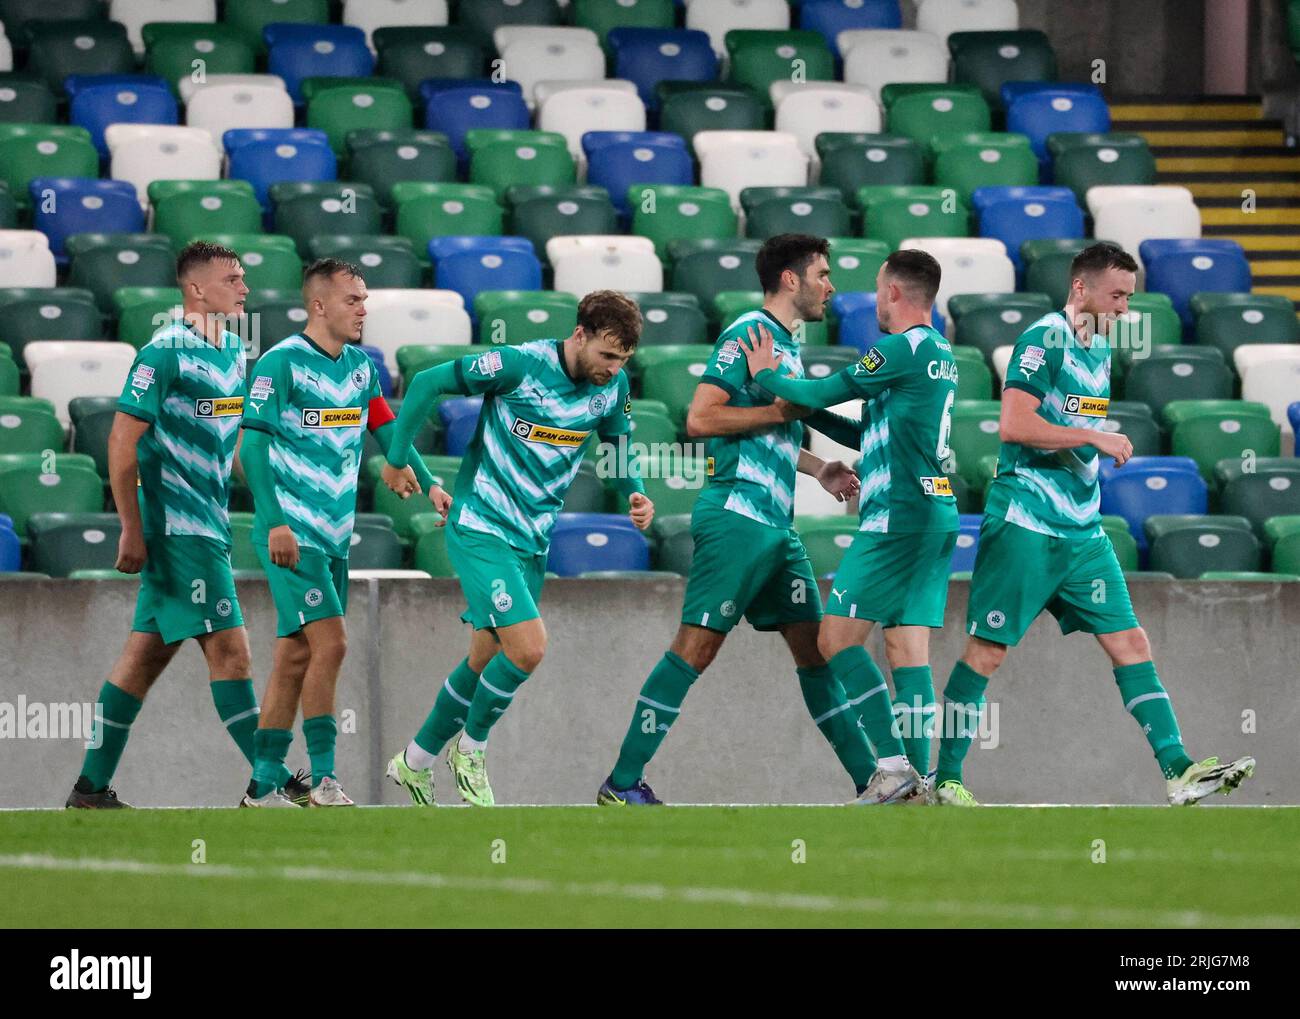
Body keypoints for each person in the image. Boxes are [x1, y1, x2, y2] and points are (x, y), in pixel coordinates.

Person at [930, 241, 1255, 806]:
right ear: (1081, 288)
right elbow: (1014, 425)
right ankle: (947, 778)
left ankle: (1178, 770)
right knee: (987, 651)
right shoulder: (1043, 340)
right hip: (1026, 521)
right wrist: (1092, 436)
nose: (1125, 308)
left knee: (1130, 641)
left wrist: (1088, 441)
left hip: (1082, 531)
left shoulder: (1099, 348)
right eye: (1117, 295)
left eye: (1129, 297)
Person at [597, 234, 871, 807]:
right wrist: (776, 407)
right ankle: (621, 782)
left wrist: (817, 467)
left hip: (776, 528)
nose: (830, 286)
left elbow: (772, 431)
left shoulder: (786, 346)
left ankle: (875, 783)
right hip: (736, 517)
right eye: (822, 273)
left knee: (817, 653)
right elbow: (701, 418)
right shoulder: (748, 334)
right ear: (791, 279)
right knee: (695, 649)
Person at [383, 290, 654, 807]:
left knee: (485, 657)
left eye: (623, 359)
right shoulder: (518, 365)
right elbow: (426, 382)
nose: (613, 368)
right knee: (528, 648)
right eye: (606, 355)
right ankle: (471, 749)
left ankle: (414, 762)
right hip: (482, 526)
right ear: (580, 335)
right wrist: (397, 459)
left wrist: (634, 491)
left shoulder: (612, 387)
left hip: (533, 539)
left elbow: (618, 444)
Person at [67, 242, 308, 807]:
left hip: (209, 525)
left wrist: (275, 501)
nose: (245, 288)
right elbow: (121, 442)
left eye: (244, 278)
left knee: (142, 659)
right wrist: (131, 528)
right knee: (231, 651)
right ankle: (277, 782)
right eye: (232, 279)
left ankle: (89, 789)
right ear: (197, 289)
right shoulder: (162, 353)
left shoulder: (234, 352)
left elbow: (230, 443)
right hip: (176, 527)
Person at [740, 248, 960, 805]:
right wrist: (803, 409)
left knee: (835, 639)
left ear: (894, 293)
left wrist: (767, 376)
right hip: (934, 513)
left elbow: (822, 391)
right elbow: (866, 431)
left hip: (898, 516)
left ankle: (891, 767)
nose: (873, 301)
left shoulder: (900, 349)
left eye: (878, 290)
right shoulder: (938, 353)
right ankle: (920, 781)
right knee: (907, 649)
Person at [237, 258, 436, 807]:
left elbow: (388, 428)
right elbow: (251, 448)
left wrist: (431, 484)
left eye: (365, 299)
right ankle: (324, 779)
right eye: (353, 300)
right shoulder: (280, 364)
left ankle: (261, 785)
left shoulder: (360, 368)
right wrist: (275, 521)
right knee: (334, 643)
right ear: (319, 305)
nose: (363, 309)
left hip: (333, 536)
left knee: (295, 656)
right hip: (291, 532)